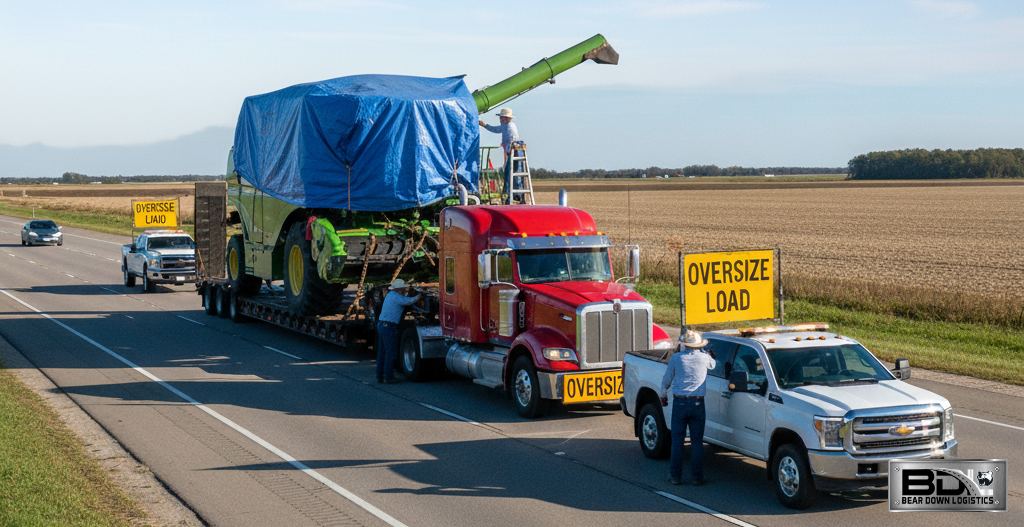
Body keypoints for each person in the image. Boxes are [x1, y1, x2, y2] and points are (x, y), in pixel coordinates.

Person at [661, 329, 716, 485]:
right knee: (697, 442)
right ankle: (697, 477)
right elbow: (713, 364)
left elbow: (667, 379)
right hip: (698, 403)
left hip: (680, 402)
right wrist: (709, 353)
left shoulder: (676, 359)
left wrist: (663, 394)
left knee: (677, 441)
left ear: (684, 345)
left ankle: (675, 476)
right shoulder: (705, 358)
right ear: (699, 345)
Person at [376, 278, 421, 384]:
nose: (404, 289)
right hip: (389, 326)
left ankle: (380, 376)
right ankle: (389, 377)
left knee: (382, 352)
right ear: (399, 288)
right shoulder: (396, 297)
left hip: (382, 325)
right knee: (390, 353)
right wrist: (419, 295)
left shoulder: (391, 295)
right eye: (403, 288)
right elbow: (409, 301)